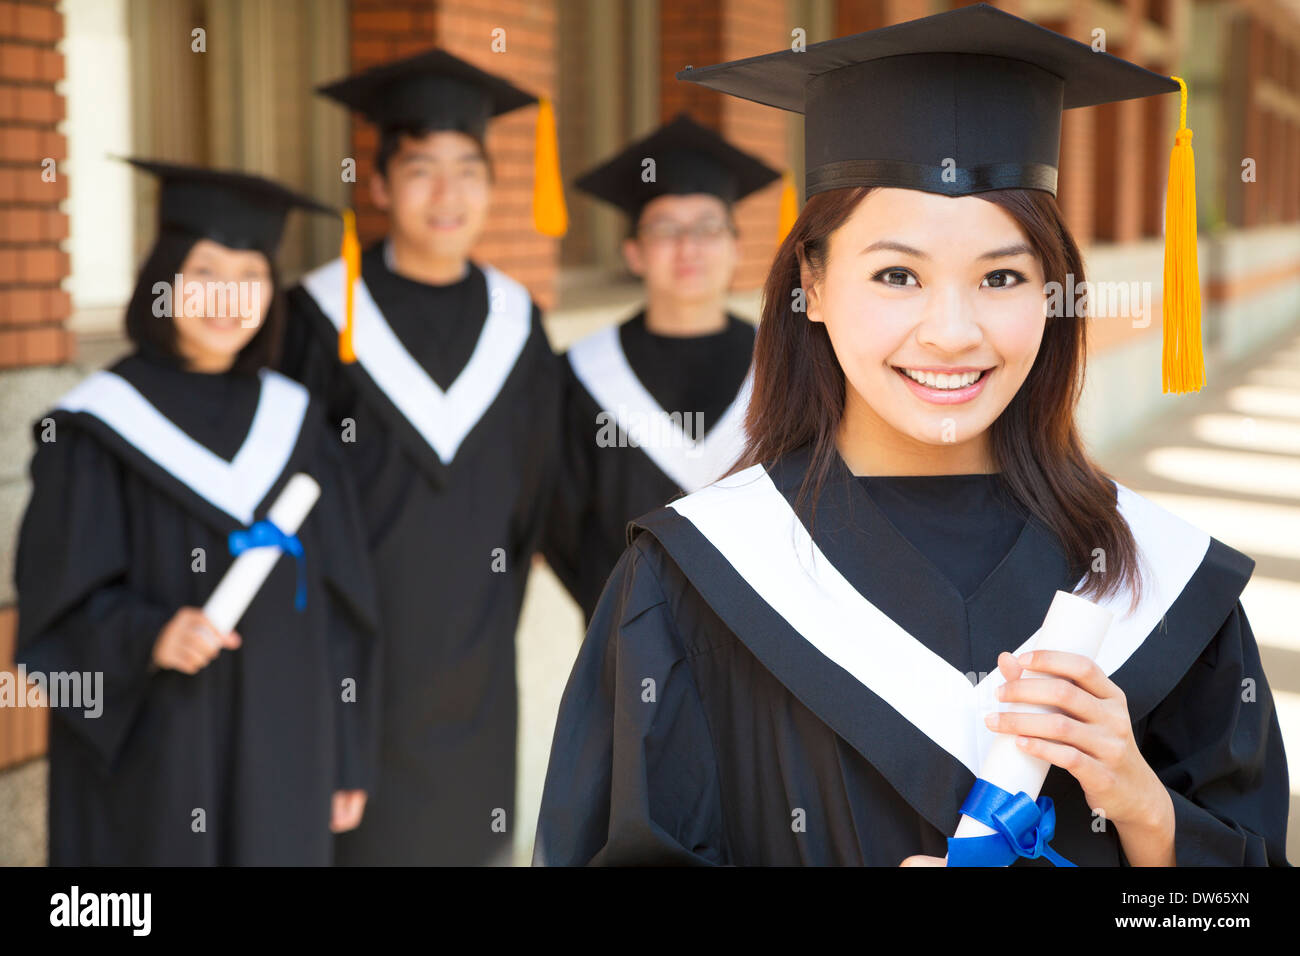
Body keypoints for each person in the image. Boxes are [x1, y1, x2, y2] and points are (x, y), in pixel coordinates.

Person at [533, 4, 1291, 866]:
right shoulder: (691, 582)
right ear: (813, 284)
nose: (952, 333)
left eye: (1001, 277)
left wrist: (1148, 815)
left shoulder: (1154, 580)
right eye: (897, 274)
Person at [14, 160, 381, 865]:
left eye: (251, 276)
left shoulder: (298, 424)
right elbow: (52, 609)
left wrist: (347, 752)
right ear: (163, 280)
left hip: (287, 750)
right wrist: (148, 636)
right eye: (206, 272)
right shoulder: (96, 429)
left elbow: (346, 604)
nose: (228, 297)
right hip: (154, 758)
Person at [281, 49, 564, 865]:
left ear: (491, 185)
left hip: (476, 655)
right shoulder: (319, 318)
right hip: (350, 654)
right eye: (420, 170)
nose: (447, 195)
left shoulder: (517, 324)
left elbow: (534, 495)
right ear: (377, 185)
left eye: (467, 171)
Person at [542, 113, 779, 624]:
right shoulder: (582, 374)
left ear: (736, 247)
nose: (688, 247)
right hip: (627, 635)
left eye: (708, 228)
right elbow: (561, 524)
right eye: (666, 229)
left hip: (764, 639)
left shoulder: (786, 366)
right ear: (634, 253)